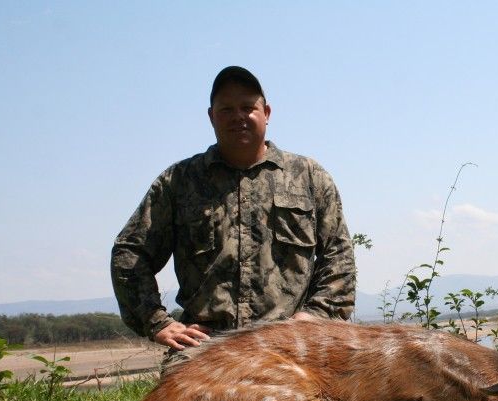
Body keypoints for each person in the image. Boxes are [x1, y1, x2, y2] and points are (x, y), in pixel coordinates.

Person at [111, 66, 356, 363]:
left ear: (266, 112)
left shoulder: (308, 177)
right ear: (211, 117)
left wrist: (314, 317)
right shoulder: (179, 182)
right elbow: (130, 253)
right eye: (226, 109)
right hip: (206, 348)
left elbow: (339, 257)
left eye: (247, 107)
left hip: (292, 347)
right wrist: (158, 322)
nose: (238, 116)